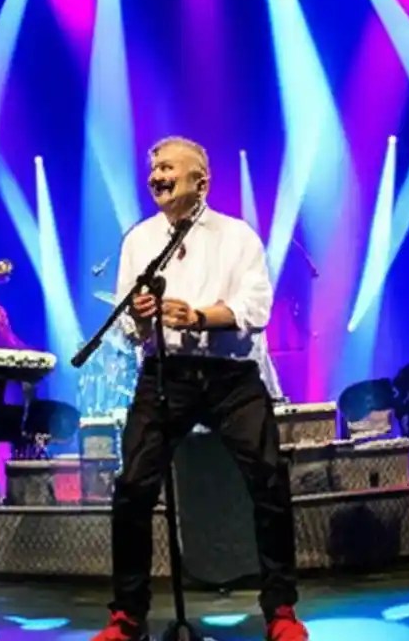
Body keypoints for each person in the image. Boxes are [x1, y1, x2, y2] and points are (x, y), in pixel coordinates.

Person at [92, 137, 308, 641]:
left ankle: (281, 610)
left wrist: (199, 316)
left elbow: (256, 307)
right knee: (132, 487)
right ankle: (128, 615)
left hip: (231, 375)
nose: (156, 176)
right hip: (166, 374)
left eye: (167, 168)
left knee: (269, 480)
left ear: (200, 181)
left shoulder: (238, 236)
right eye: (153, 169)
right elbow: (128, 328)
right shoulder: (140, 240)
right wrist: (139, 318)